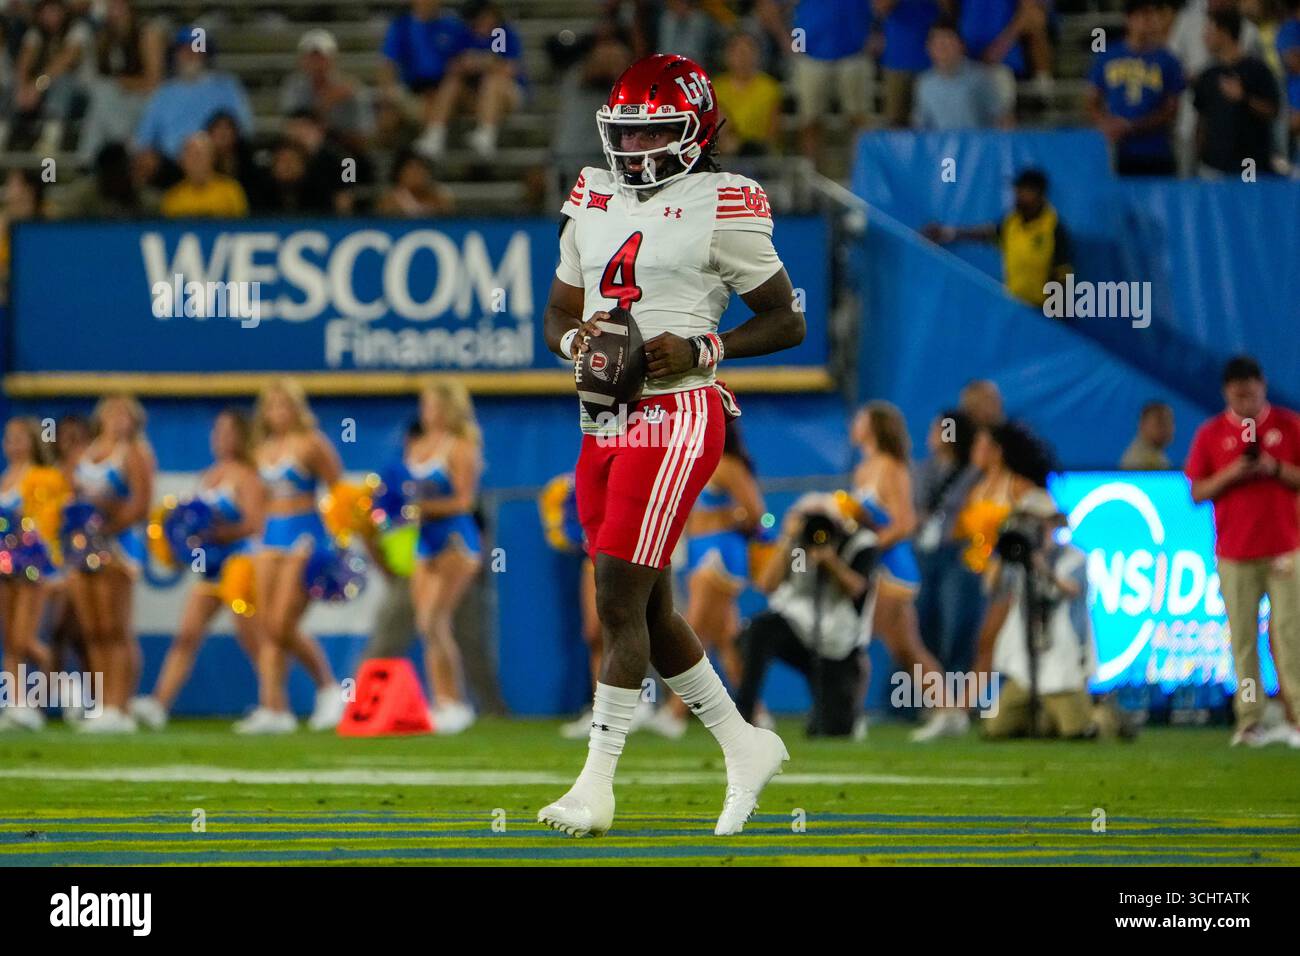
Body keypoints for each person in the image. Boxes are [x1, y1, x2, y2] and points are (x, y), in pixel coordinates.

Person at [538, 53, 805, 838]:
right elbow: (555, 314)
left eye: (654, 132)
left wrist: (705, 349)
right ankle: (742, 742)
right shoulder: (590, 192)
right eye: (625, 131)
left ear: (694, 132)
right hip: (601, 417)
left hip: (681, 412)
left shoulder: (724, 201)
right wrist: (576, 347)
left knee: (616, 597)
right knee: (646, 608)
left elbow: (787, 319)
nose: (636, 147)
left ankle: (595, 784)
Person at [1185, 356, 1300, 747]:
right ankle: (1250, 719)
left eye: (1251, 394)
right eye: (1238, 395)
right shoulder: (1212, 433)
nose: (1246, 401)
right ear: (1226, 393)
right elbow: (1197, 491)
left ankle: (1297, 717)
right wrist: (1231, 474)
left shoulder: (1288, 425)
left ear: (1262, 387)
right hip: (1235, 551)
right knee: (1244, 640)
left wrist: (1275, 468)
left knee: (1290, 634)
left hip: (1285, 547)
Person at [131, 409, 264, 730]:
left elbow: (254, 524)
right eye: (217, 432)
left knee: (254, 640)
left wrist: (217, 532)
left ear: (242, 436)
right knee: (187, 636)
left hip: (238, 565)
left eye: (229, 432)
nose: (222, 438)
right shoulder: (207, 476)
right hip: (210, 570)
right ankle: (159, 704)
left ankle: (274, 703)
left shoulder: (247, 475)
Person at [849, 401, 963, 740]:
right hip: (878, 568)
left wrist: (873, 544)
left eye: (862, 418)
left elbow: (906, 522)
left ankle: (849, 716)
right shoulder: (864, 469)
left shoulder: (891, 467)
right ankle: (948, 711)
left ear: (874, 426)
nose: (856, 423)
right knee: (906, 649)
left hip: (894, 570)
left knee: (858, 640)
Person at [972, 490, 1115, 739]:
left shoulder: (1074, 557)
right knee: (996, 729)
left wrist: (1042, 565)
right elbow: (991, 588)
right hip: (1025, 665)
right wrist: (1001, 554)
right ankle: (1044, 719)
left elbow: (1072, 589)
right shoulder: (1016, 560)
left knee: (1078, 731)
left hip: (1062, 663)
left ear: (1050, 524)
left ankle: (1103, 715)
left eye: (1036, 522)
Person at [246, 379, 346, 735]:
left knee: (280, 624)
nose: (278, 413)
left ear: (297, 408)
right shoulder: (260, 448)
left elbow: (339, 491)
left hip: (305, 534)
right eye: (272, 406)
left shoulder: (312, 443)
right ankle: (274, 707)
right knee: (265, 625)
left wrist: (337, 543)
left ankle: (329, 688)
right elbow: (258, 498)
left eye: (285, 405)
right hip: (271, 536)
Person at [656, 419, 767, 738]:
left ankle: (675, 713)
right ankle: (756, 712)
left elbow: (757, 513)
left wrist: (719, 518)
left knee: (693, 634)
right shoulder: (695, 462)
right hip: (700, 552)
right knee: (726, 639)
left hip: (720, 554)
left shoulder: (728, 464)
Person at [737, 493, 877, 737]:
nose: (817, 529)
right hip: (800, 630)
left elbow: (856, 589)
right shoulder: (797, 545)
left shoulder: (860, 542)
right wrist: (788, 539)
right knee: (757, 631)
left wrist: (830, 560)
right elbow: (767, 584)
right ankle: (744, 715)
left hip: (839, 643)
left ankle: (843, 702)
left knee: (833, 730)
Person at [65, 394, 155, 733]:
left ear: (135, 422)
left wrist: (104, 530)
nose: (119, 421)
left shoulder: (134, 454)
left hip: (117, 547)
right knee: (93, 631)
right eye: (113, 413)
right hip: (83, 547)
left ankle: (121, 706)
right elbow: (73, 497)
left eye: (126, 415)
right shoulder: (85, 453)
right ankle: (103, 705)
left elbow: (142, 504)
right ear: (101, 418)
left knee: (116, 628)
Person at [405, 380, 483, 735]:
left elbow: (465, 501)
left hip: (455, 538)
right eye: (424, 404)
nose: (427, 411)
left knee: (435, 620)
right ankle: (441, 701)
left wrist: (421, 507)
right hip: (425, 541)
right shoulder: (417, 446)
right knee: (427, 624)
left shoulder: (461, 446)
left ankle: (456, 702)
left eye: (433, 404)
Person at [922, 168, 1072, 310]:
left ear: (1038, 194)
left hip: (1041, 313)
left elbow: (1063, 276)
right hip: (1013, 307)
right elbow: (984, 234)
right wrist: (947, 233)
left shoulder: (1054, 229)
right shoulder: (1011, 222)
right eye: (1016, 190)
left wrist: (1055, 318)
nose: (1017, 195)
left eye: (1023, 191)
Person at [0, 417, 67, 731]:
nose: (12, 443)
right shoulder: (4, 478)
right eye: (8, 437)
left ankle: (66, 687)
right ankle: (17, 704)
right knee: (10, 640)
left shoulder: (43, 477)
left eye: (19, 437)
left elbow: (48, 523)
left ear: (33, 442)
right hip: (4, 565)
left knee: (25, 638)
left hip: (32, 564)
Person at [133, 26, 253, 187]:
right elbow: (144, 138)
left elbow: (245, 127)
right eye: (184, 50)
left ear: (205, 54)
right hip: (171, 165)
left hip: (217, 161)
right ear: (175, 55)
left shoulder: (226, 86)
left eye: (195, 49)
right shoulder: (164, 93)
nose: (189, 55)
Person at [913, 409, 984, 680]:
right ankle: (917, 697)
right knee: (921, 623)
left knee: (956, 624)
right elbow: (918, 506)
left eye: (940, 430)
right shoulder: (925, 470)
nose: (933, 436)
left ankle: (956, 693)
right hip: (926, 553)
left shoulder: (972, 472)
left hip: (957, 553)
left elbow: (965, 505)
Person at [1087, 0, 1186, 176]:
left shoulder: (1167, 60)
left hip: (1156, 150)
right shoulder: (1107, 56)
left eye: (1153, 16)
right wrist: (1105, 123)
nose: (1150, 21)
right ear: (1129, 19)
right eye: (1144, 15)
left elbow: (1172, 109)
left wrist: (1133, 126)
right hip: (1119, 150)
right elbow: (1092, 99)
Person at [1193, 8, 1281, 176]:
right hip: (1213, 166)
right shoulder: (1207, 75)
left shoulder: (1257, 70)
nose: (1204, 37)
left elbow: (1272, 111)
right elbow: (1201, 121)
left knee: (1249, 202)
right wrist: (1200, 157)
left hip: (1250, 164)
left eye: (1209, 31)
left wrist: (1243, 98)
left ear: (1224, 33)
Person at [76, 0, 162, 166]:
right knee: (99, 95)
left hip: (145, 99)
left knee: (102, 96)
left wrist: (123, 84)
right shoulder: (104, 37)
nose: (115, 12)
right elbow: (98, 74)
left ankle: (89, 157)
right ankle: (100, 155)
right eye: (111, 8)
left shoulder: (147, 34)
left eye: (119, 6)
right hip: (115, 101)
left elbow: (154, 83)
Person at [380, 0, 468, 160]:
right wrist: (389, 93)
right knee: (389, 116)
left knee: (450, 87)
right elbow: (388, 65)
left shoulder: (452, 25)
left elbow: (463, 60)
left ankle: (433, 136)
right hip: (415, 89)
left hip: (447, 90)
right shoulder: (402, 26)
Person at [787, 0, 873, 162]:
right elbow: (769, 5)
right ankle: (811, 177)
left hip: (854, 54)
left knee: (859, 120)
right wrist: (788, 41)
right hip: (810, 54)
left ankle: (863, 173)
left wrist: (876, 31)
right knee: (810, 121)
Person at [279, 28, 374, 151]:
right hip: (305, 153)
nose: (316, 63)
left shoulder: (353, 90)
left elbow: (364, 137)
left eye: (321, 58)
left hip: (344, 151)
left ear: (333, 60)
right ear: (302, 60)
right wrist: (324, 104)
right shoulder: (294, 86)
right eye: (311, 57)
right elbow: (291, 126)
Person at [912, 18, 1014, 130]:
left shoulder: (980, 77)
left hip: (978, 145)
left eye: (948, 43)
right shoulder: (924, 83)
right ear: (929, 48)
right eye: (937, 43)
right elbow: (921, 125)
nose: (943, 49)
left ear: (961, 46)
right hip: (940, 146)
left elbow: (1003, 119)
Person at [713, 31, 782, 155]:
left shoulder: (769, 88)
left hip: (759, 153)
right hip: (725, 154)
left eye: (748, 52)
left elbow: (773, 134)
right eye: (738, 52)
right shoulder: (715, 88)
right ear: (727, 55)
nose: (743, 58)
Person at [877, 0, 942, 127]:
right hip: (896, 61)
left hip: (932, 61)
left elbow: (950, 10)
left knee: (929, 119)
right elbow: (880, 8)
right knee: (894, 121)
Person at [158, 131, 249, 218]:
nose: (195, 160)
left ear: (212, 157)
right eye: (190, 154)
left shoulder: (230, 190)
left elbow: (242, 227)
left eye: (199, 154)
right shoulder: (173, 196)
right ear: (182, 161)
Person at [377, 149, 455, 217]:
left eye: (420, 170)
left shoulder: (439, 196)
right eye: (412, 172)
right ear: (400, 175)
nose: (417, 175)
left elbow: (449, 218)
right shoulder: (391, 200)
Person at [1120, 401, 1175, 469]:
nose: (1167, 428)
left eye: (1170, 422)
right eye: (1160, 422)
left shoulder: (1158, 457)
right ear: (1142, 425)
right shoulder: (1137, 460)